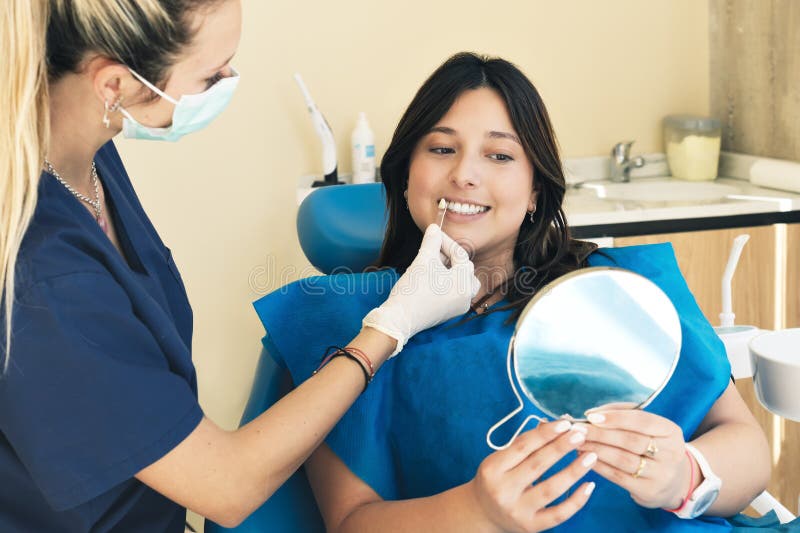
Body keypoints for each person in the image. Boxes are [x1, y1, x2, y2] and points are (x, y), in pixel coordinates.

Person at [0, 2, 479, 531]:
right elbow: (227, 486)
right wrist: (391, 326)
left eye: (500, 156)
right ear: (113, 85)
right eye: (211, 75)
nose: (466, 177)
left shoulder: (84, 158)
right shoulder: (44, 275)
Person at [255, 53, 774, 532]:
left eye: (500, 156)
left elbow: (748, 447)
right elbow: (352, 522)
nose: (465, 175)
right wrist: (475, 511)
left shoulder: (617, 288)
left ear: (534, 192)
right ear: (405, 177)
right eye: (441, 149)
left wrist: (686, 475)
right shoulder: (343, 325)